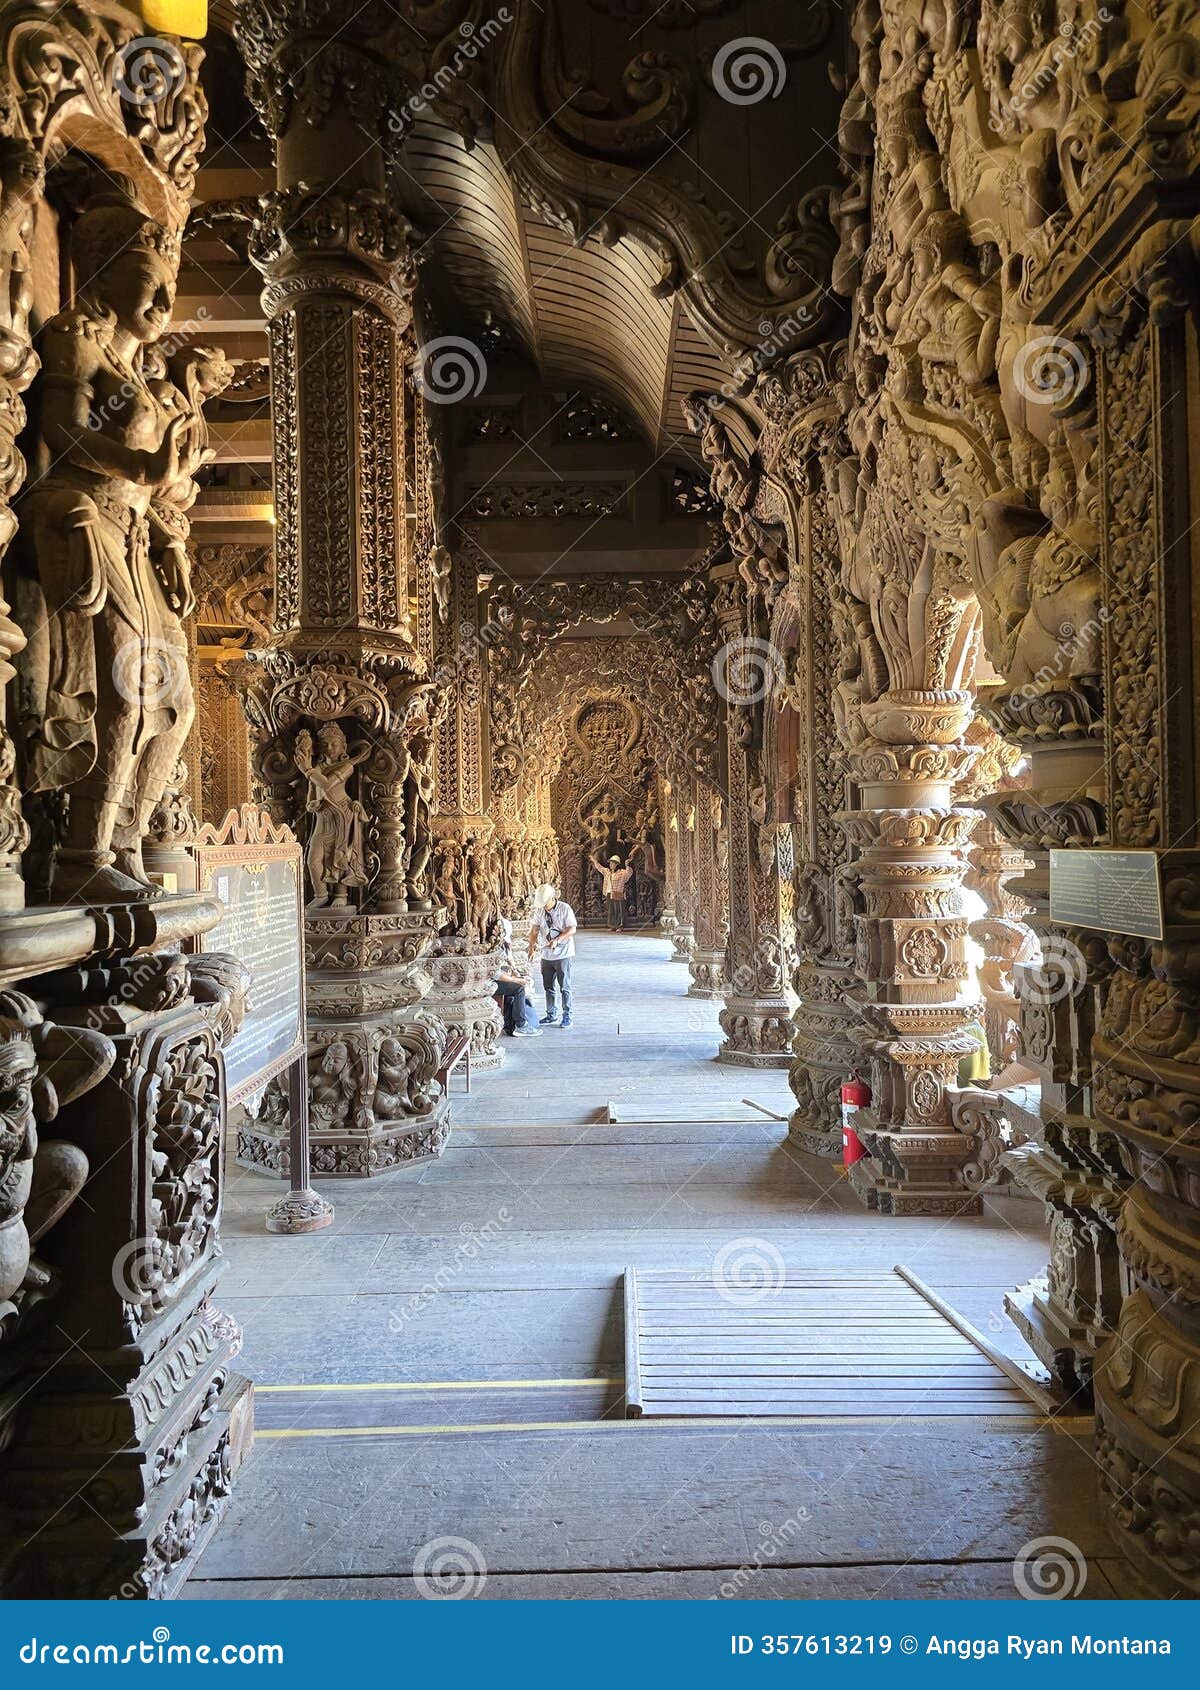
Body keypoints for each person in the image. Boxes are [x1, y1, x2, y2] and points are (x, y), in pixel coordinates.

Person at [528, 882, 577, 1028]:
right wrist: (531, 946)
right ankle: (551, 1014)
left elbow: (572, 929)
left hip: (563, 953)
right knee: (548, 986)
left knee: (564, 987)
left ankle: (567, 1016)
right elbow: (535, 930)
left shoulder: (564, 908)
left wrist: (558, 939)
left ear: (552, 898)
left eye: (545, 903)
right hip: (546, 955)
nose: (543, 906)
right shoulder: (540, 911)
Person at [492, 917, 539, 1037]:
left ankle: (512, 1023)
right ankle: (521, 1024)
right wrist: (517, 980)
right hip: (490, 982)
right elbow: (496, 974)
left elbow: (509, 959)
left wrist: (516, 972)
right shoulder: (492, 945)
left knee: (520, 984)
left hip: (501, 977)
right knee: (518, 988)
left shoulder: (504, 944)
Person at [590, 852, 633, 931]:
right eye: (610, 863)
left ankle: (620, 926)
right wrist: (594, 861)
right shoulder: (607, 872)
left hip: (618, 892)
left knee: (618, 910)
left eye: (612, 863)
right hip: (609, 892)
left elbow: (629, 873)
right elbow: (600, 868)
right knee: (611, 910)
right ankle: (612, 925)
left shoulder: (622, 872)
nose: (610, 864)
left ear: (616, 864)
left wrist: (627, 865)